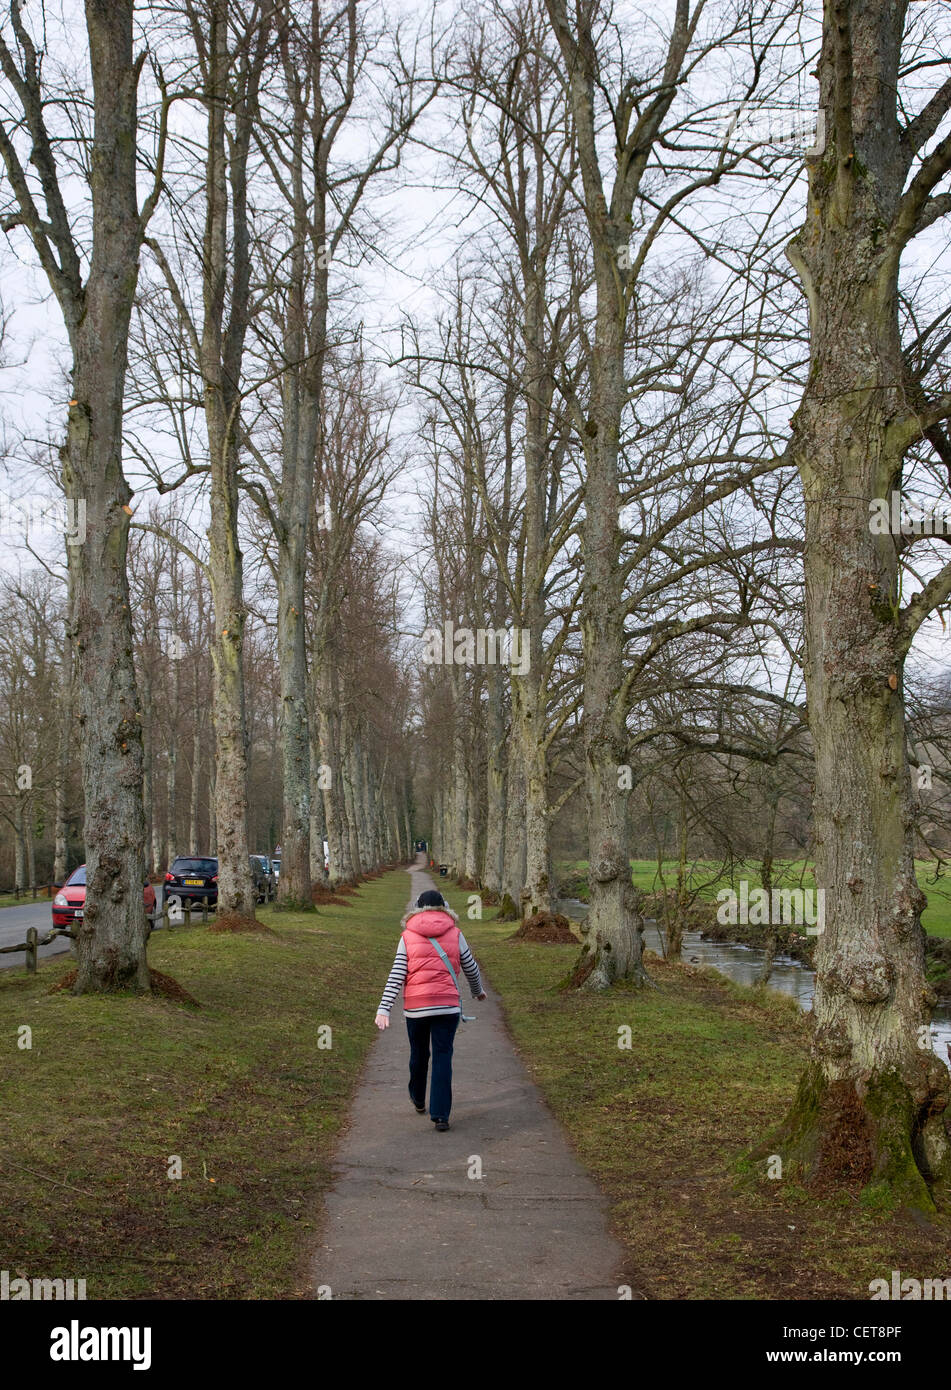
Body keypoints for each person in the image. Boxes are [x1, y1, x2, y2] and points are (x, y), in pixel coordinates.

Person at [375, 888, 486, 1132]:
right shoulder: (456, 933)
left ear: (417, 908)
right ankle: (440, 1115)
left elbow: (397, 974)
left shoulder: (407, 936)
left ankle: (417, 1096)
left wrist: (384, 1008)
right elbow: (470, 967)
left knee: (419, 1053)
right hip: (447, 1006)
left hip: (417, 1007)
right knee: (443, 1057)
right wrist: (477, 991)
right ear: (444, 908)